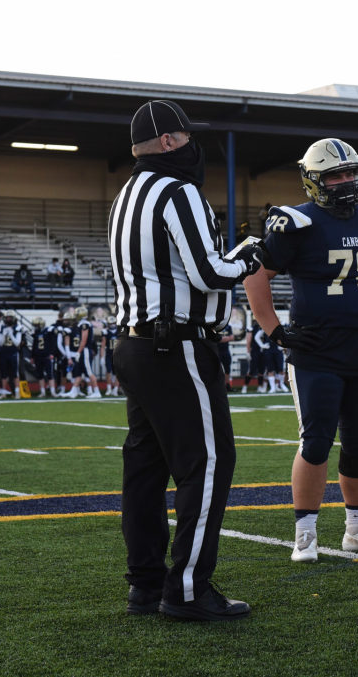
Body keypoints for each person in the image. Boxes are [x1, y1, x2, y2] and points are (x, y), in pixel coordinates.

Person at [109, 99, 262, 621]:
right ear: (172, 141)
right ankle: (189, 589)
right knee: (209, 462)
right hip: (176, 345)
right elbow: (209, 272)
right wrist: (258, 249)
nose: (194, 146)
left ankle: (146, 584)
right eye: (187, 137)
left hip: (135, 343)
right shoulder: (179, 190)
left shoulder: (126, 194)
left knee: (146, 468)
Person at [243, 136, 358, 565]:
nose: (345, 182)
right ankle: (305, 534)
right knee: (316, 441)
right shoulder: (295, 222)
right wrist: (276, 331)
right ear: (313, 181)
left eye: (351, 173)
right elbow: (254, 276)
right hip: (316, 350)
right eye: (334, 175)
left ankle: (357, 530)